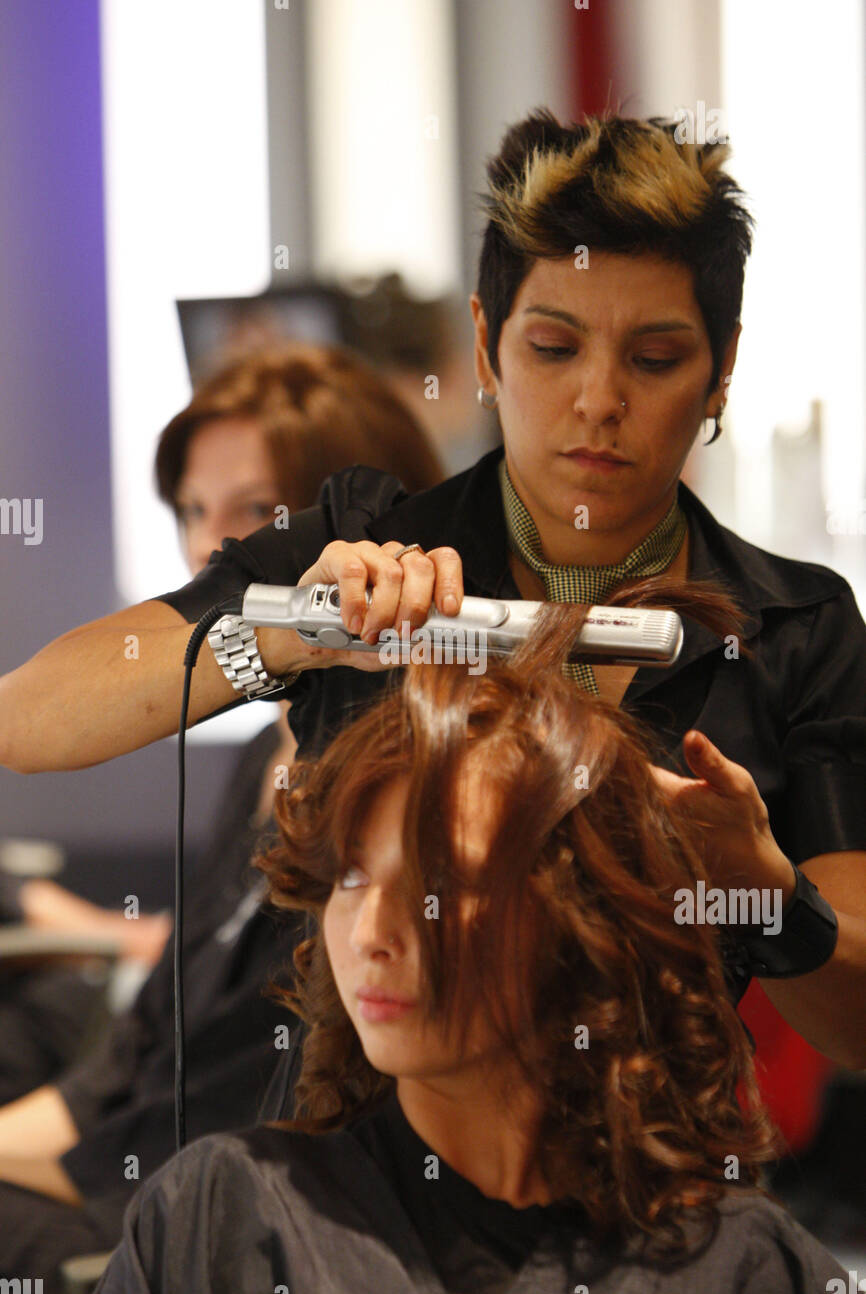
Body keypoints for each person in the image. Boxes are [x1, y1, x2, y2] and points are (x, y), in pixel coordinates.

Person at [1, 109, 864, 1073]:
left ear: (722, 369)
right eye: (552, 347)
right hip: (357, 1161)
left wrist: (766, 891)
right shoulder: (362, 542)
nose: (599, 400)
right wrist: (292, 638)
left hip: (644, 1165)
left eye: (655, 360)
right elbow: (28, 721)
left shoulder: (795, 627)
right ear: (488, 342)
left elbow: (858, 1027)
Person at [94, 597, 845, 1294]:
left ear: (581, 915)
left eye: (441, 884)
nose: (371, 935)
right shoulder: (219, 1216)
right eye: (351, 877)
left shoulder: (738, 1269)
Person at [0, 341, 444, 1294]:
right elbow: (129, 1069)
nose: (211, 552)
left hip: (232, 1214)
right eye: (193, 514)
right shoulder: (260, 754)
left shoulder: (395, 784)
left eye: (252, 516)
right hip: (134, 1170)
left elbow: (216, 1107)